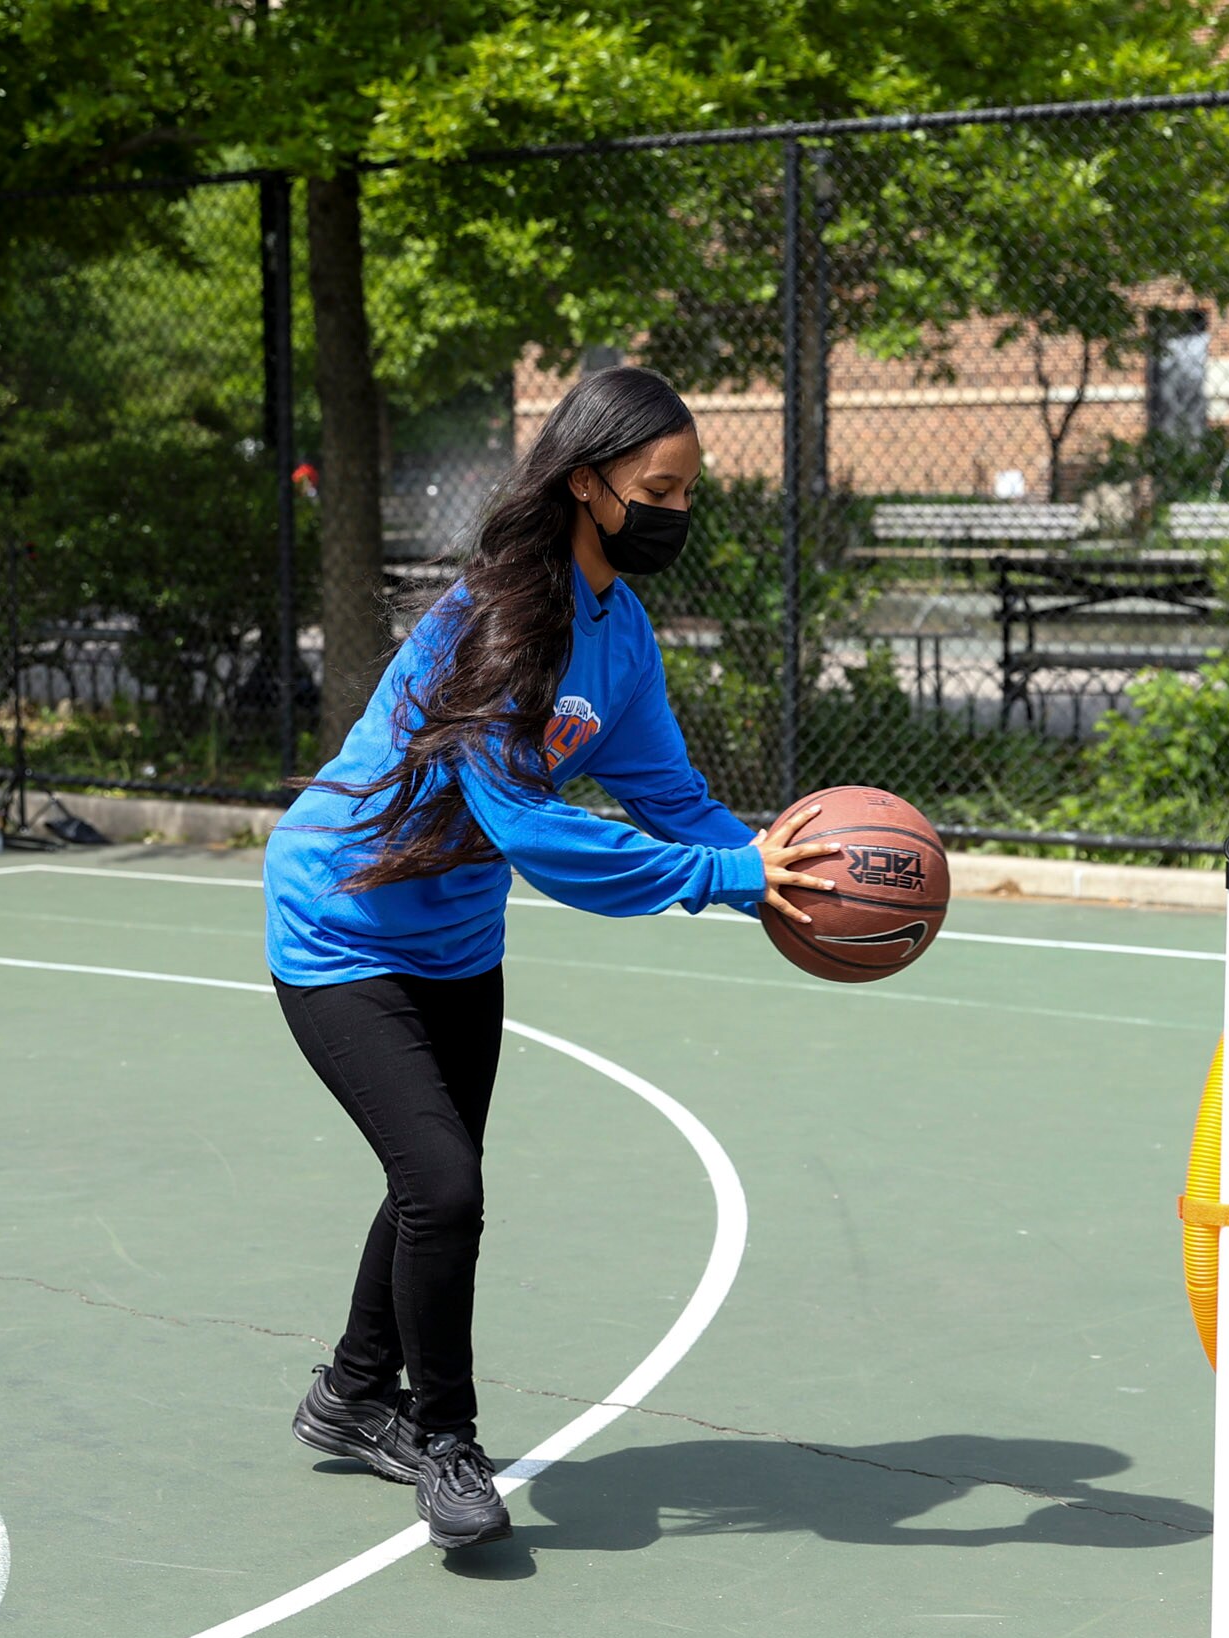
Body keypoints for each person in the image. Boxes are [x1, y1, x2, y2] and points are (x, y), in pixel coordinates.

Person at [264, 364, 839, 1549]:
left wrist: (777, 873)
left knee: (434, 1180)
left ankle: (351, 1394)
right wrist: (722, 879)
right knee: (446, 1188)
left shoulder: (620, 634)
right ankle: (446, 1436)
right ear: (586, 484)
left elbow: (667, 795)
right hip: (339, 927)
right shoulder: (486, 621)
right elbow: (528, 827)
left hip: (458, 937)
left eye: (688, 490)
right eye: (658, 488)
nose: (678, 511)